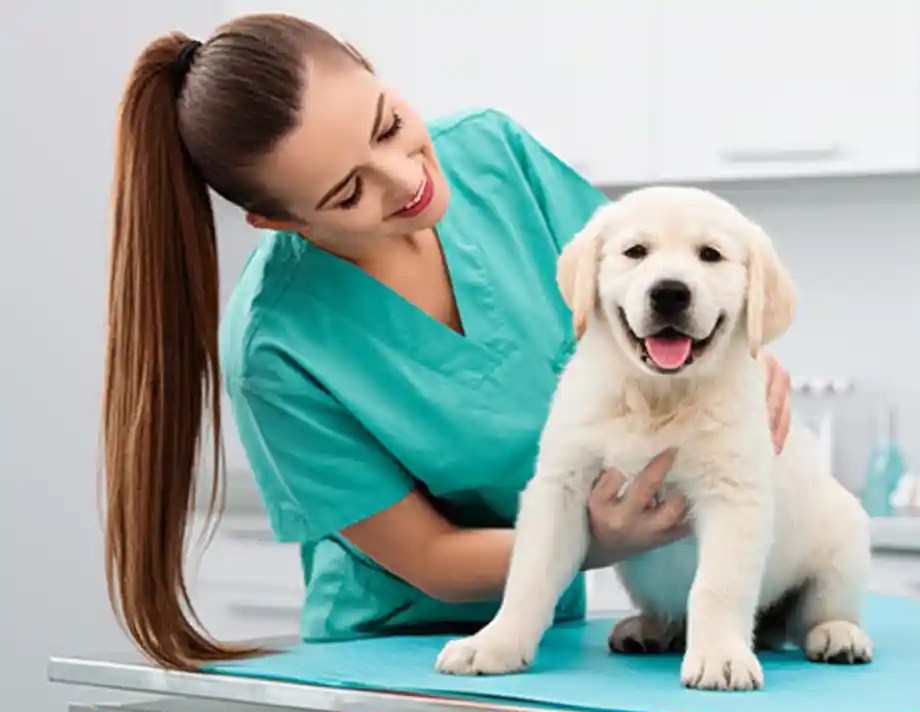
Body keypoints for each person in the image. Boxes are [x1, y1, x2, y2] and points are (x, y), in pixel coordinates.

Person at [102, 12, 793, 671]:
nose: (406, 180)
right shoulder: (274, 348)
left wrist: (739, 359)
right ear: (278, 220)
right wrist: (591, 537)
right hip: (384, 657)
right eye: (348, 194)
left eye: (389, 125)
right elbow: (429, 557)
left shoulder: (494, 156)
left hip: (545, 639)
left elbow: (654, 293)